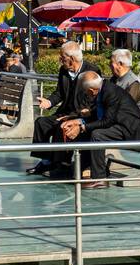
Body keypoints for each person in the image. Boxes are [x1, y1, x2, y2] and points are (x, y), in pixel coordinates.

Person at [58, 71, 140, 186]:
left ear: (92, 91)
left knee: (97, 136)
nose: (85, 94)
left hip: (131, 130)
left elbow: (107, 120)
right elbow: (100, 115)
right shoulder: (103, 88)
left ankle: (100, 178)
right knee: (89, 133)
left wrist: (82, 127)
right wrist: (78, 121)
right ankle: (82, 169)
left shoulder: (110, 92)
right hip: (119, 125)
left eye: (85, 92)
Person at [28, 42, 100, 177]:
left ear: (71, 59)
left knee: (62, 126)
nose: (60, 60)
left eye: (62, 57)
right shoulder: (64, 70)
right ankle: (46, 160)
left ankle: (61, 164)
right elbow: (59, 93)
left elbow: (91, 100)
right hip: (64, 111)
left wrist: (72, 116)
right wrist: (49, 102)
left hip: (81, 114)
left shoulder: (92, 70)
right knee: (41, 123)